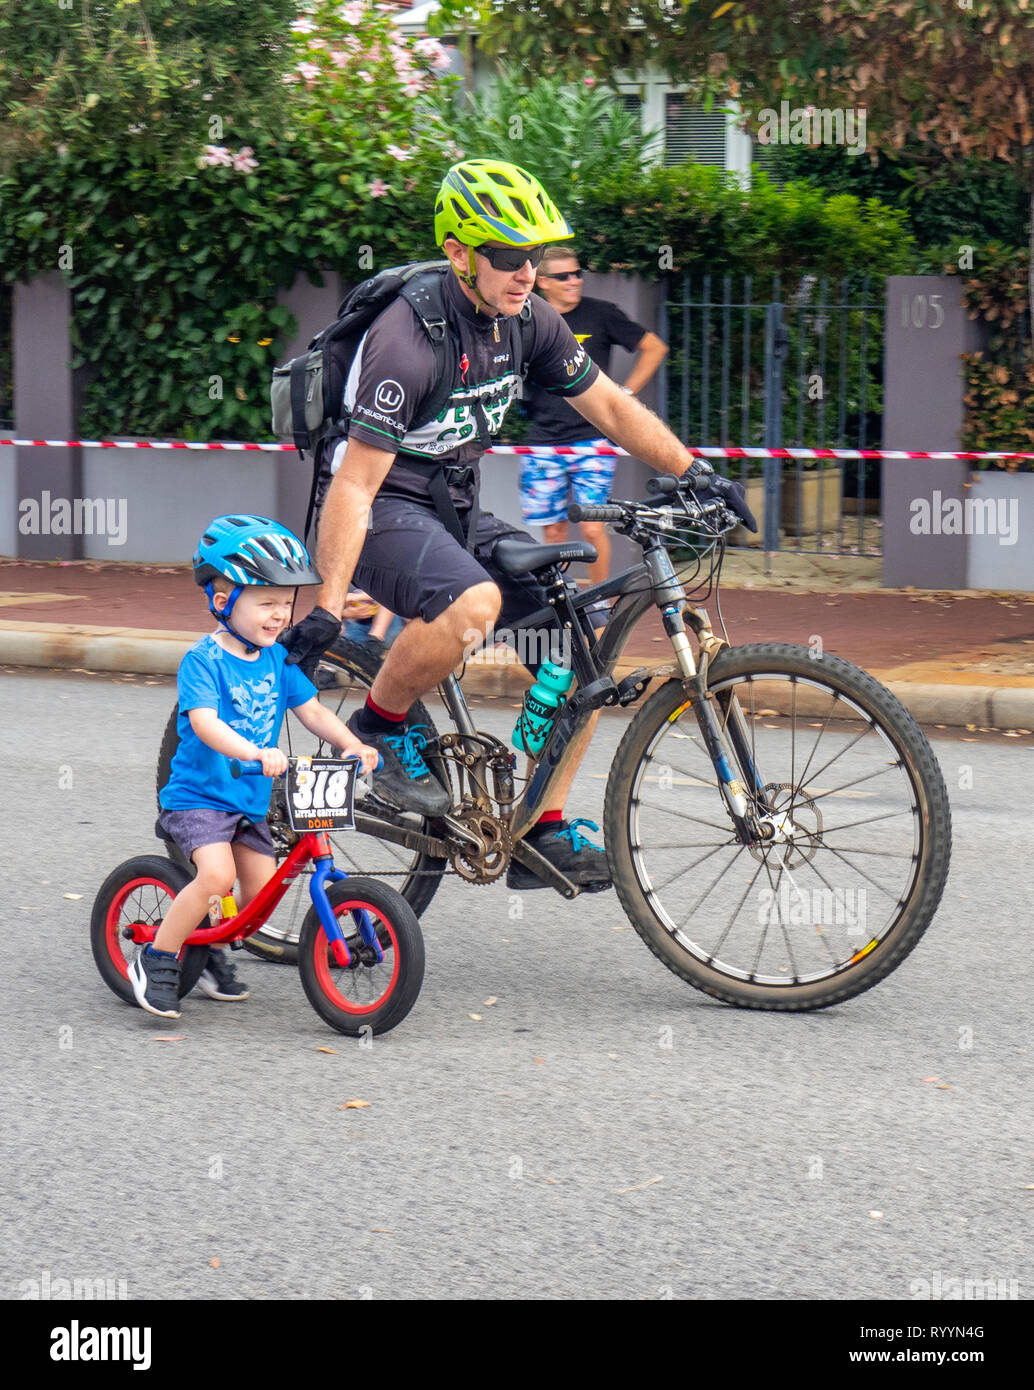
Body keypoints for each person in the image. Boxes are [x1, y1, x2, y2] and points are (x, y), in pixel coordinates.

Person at [280, 159, 755, 892]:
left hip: (455, 505)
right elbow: (353, 482)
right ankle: (379, 724)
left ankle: (545, 828)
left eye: (534, 256)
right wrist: (327, 604)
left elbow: (611, 408)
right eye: (507, 257)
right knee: (475, 603)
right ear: (460, 254)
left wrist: (695, 471)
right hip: (381, 511)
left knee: (576, 660)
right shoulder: (408, 337)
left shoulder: (528, 318)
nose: (527, 273)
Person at [136, 514, 378, 1020]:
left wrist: (352, 742)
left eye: (286, 605)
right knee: (216, 877)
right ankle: (157, 957)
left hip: (247, 801)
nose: (279, 616)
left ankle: (204, 950)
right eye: (266, 603)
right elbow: (203, 723)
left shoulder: (274, 662)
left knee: (258, 896)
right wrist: (252, 751)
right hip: (200, 796)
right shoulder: (203, 662)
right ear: (223, 602)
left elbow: (311, 711)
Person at [520, 245, 668, 584]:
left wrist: (624, 396)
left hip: (592, 439)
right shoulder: (528, 317)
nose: (574, 281)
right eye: (563, 276)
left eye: (577, 273)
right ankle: (562, 605)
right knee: (554, 533)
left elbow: (655, 347)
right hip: (543, 442)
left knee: (591, 526)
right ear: (542, 281)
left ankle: (599, 607)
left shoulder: (602, 313)